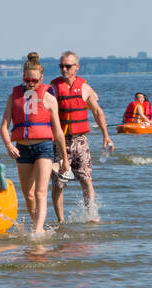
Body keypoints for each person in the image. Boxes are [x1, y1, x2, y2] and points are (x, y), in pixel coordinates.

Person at [0, 52, 69, 236]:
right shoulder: (13, 98)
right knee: (28, 195)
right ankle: (37, 226)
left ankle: (37, 232)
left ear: (41, 78)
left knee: (40, 193)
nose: (31, 84)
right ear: (23, 77)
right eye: (27, 80)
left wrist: (64, 159)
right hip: (22, 149)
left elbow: (58, 132)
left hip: (43, 148)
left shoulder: (49, 98)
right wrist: (9, 145)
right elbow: (4, 126)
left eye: (35, 81)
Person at [49, 51, 114, 224]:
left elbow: (97, 112)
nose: (64, 69)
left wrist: (106, 136)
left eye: (68, 66)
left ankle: (90, 215)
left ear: (77, 67)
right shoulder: (53, 88)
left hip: (80, 140)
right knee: (58, 183)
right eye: (61, 66)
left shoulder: (85, 88)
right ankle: (61, 221)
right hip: (59, 142)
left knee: (86, 179)